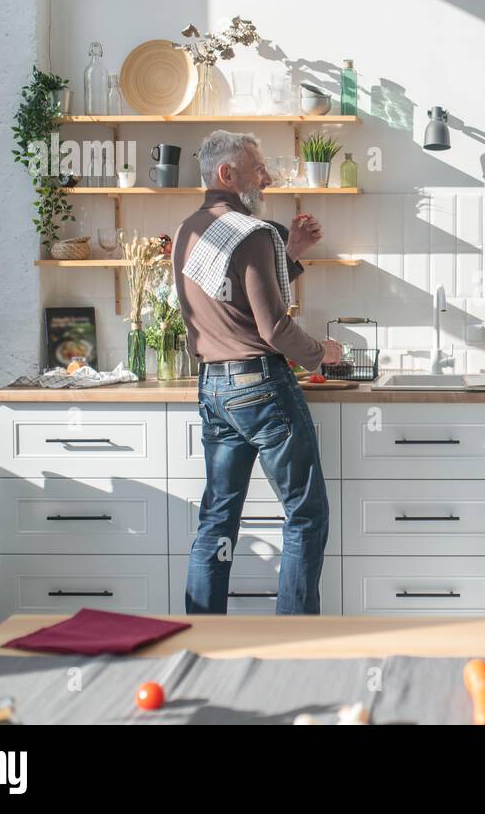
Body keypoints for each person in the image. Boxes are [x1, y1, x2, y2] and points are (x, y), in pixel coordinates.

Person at [173, 130, 343, 614]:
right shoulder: (251, 232)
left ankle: (204, 633)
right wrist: (320, 353)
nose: (266, 177)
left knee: (217, 518)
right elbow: (272, 328)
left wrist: (292, 253)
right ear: (227, 174)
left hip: (214, 388)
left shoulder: (189, 230)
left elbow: (233, 297)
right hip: (261, 389)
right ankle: (293, 636)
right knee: (306, 515)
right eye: (257, 168)